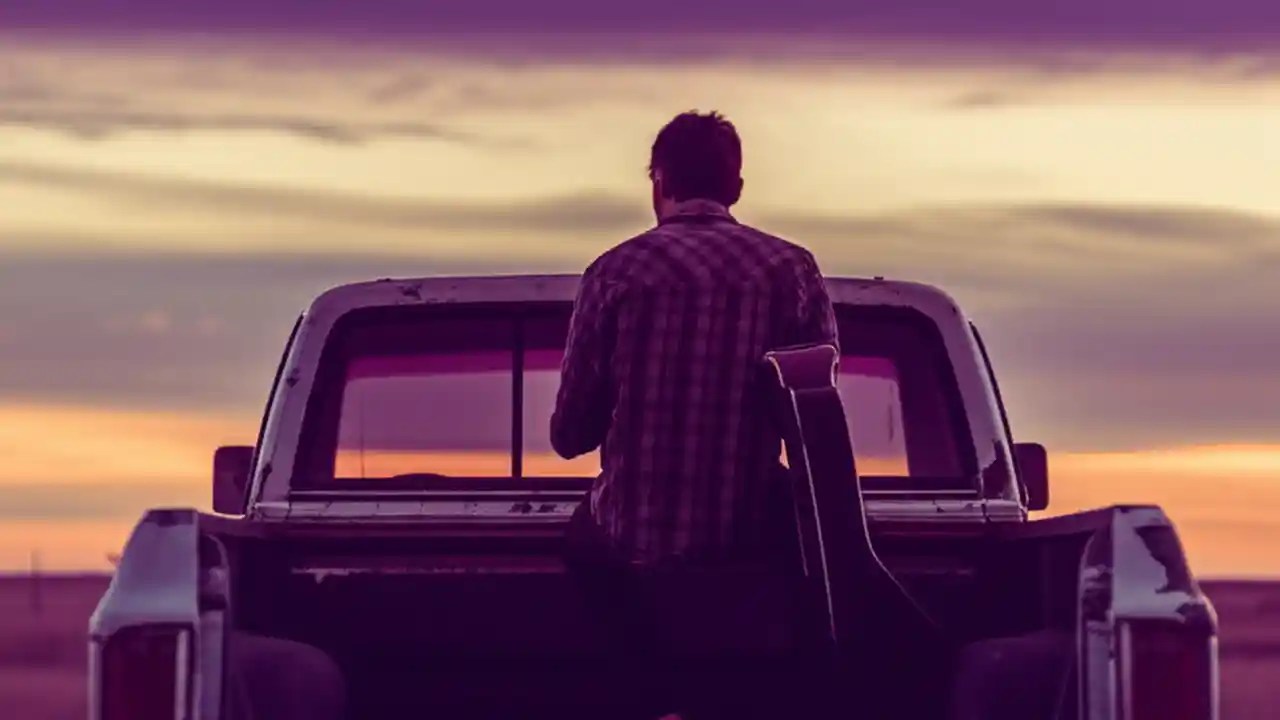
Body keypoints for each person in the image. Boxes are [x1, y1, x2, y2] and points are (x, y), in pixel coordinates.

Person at [551, 110, 838, 717]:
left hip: (632, 543)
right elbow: (814, 419)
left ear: (659, 182)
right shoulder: (792, 269)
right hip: (745, 543)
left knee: (583, 542)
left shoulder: (614, 271)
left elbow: (570, 435)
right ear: (736, 187)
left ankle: (637, 691)